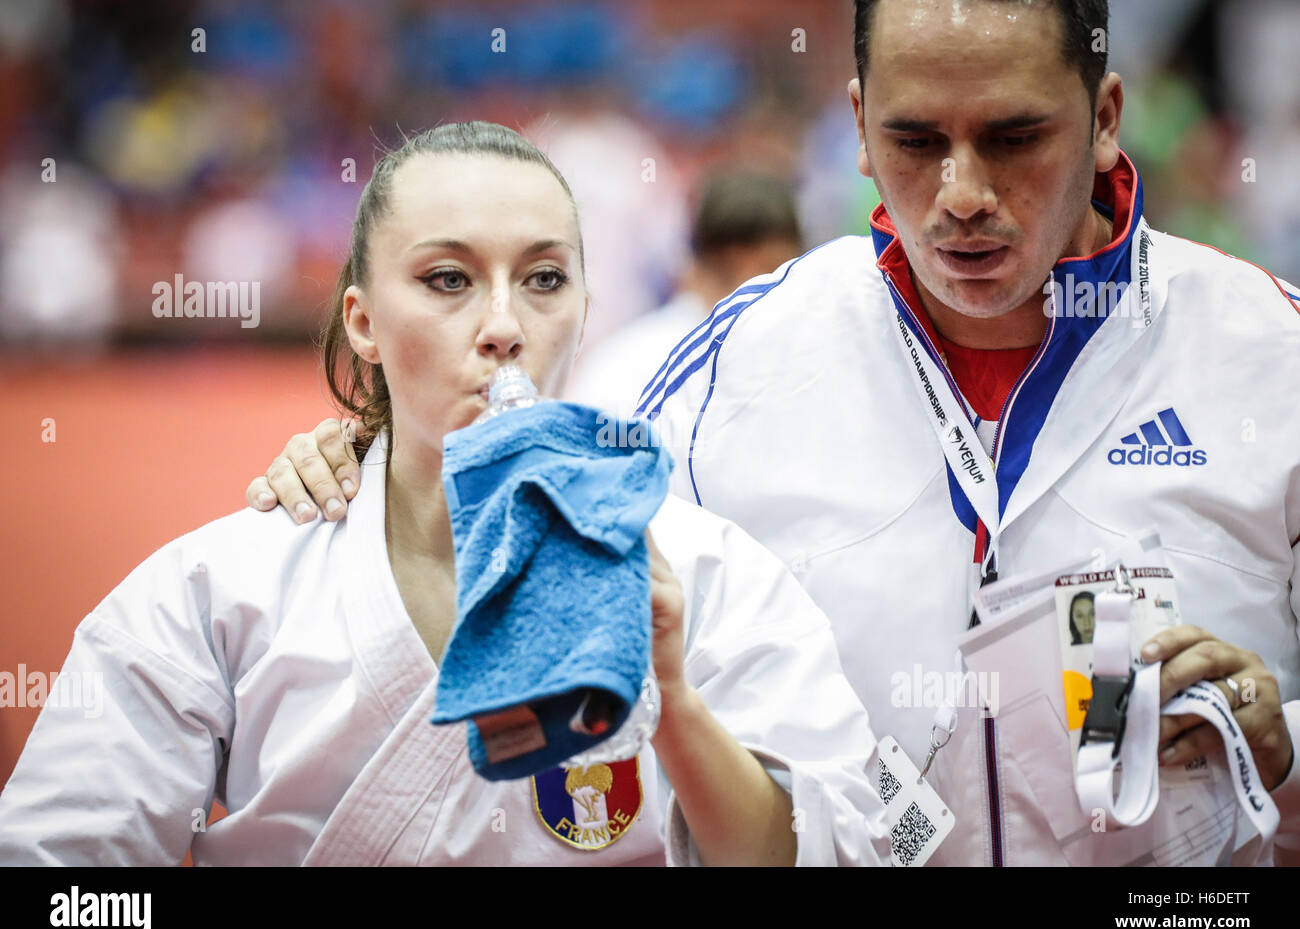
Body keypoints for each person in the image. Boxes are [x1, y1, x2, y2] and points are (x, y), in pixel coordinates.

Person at [254, 2, 1300, 866]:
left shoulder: (1270, 351)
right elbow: (549, 511)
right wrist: (388, 462)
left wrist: (1283, 740)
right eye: (914, 140)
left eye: (1015, 137)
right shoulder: (737, 367)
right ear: (854, 123)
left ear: (1106, 114)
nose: (963, 196)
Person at [0, 122, 891, 867]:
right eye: (447, 280)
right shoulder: (223, 589)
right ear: (364, 322)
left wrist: (671, 698)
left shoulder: (711, 575)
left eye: (545, 279)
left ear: (586, 305)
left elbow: (840, 848)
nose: (504, 328)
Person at [564, 169, 803, 418]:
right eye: (729, 277)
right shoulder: (627, 369)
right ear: (693, 272)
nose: (750, 297)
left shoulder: (818, 354)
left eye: (771, 275)